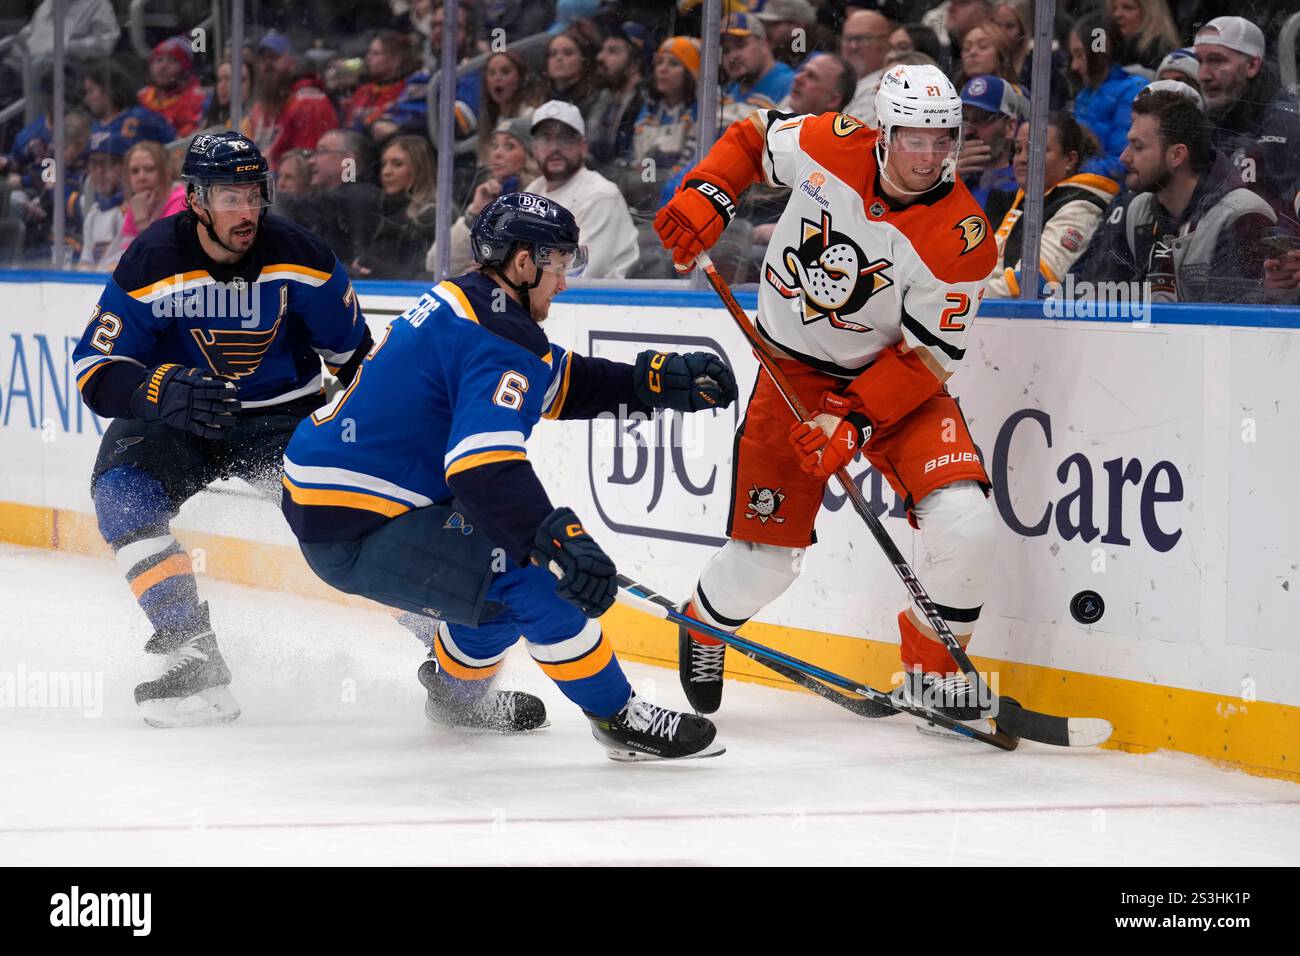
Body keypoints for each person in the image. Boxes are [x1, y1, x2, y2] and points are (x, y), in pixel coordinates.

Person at [281, 191, 737, 760]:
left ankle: (454, 698)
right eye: (559, 263)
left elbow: (551, 379)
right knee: (531, 576)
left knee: (496, 583)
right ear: (523, 262)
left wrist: (648, 384)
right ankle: (618, 718)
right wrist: (555, 537)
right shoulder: (499, 334)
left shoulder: (468, 301)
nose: (564, 282)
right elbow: (479, 466)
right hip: (357, 520)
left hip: (335, 497)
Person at [654, 63, 1000, 738]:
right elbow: (755, 138)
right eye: (913, 138)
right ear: (882, 131)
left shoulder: (964, 240)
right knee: (764, 565)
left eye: (942, 140)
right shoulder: (828, 141)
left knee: (967, 524)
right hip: (793, 379)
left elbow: (930, 354)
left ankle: (933, 673)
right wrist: (708, 193)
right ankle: (705, 619)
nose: (929, 155)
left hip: (896, 387)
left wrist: (855, 418)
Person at [71, 131, 372, 728]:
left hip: (279, 417)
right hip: (175, 419)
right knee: (123, 497)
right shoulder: (152, 259)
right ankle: (191, 652)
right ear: (195, 199)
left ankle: (450, 653)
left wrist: (379, 445)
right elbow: (93, 369)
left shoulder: (302, 257)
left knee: (356, 515)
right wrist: (156, 390)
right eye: (228, 196)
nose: (245, 211)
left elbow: (359, 360)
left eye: (254, 194)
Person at [1069, 89, 1276, 303]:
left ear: (1177, 155)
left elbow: (1230, 326)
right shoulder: (1136, 209)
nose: (1124, 157)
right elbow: (1100, 304)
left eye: (1138, 147)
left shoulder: (1241, 215)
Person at [985, 112, 1119, 297]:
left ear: (1070, 160)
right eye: (1018, 150)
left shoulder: (1081, 208)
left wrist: (963, 298)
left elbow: (1032, 283)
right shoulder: (1021, 199)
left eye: (1035, 150)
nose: (1022, 159)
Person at [1193, 16, 1300, 226]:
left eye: (1216, 60)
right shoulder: (1209, 121)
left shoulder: (1285, 124)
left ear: (1252, 65)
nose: (1204, 75)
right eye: (1199, 61)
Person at [523, 100, 638, 279]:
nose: (555, 148)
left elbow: (575, 275)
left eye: (565, 138)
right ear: (534, 149)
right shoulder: (533, 191)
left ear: (583, 147)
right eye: (546, 139)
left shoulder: (601, 195)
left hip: (597, 304)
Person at [434, 116, 538, 276]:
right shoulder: (489, 195)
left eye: (509, 146)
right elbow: (434, 263)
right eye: (495, 145)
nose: (497, 153)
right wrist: (474, 212)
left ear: (530, 154)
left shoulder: (537, 198)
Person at [1068, 14, 1148, 181]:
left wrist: (1068, 167)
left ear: (1099, 51)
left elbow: (1124, 161)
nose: (1074, 66)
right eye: (1073, 56)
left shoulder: (1132, 89)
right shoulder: (1084, 95)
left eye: (1080, 55)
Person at [244, 33, 339, 170]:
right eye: (263, 59)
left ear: (292, 62)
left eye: (274, 57)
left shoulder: (310, 103)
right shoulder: (259, 108)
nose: (267, 64)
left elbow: (306, 167)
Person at [351, 134, 438, 280]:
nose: (386, 172)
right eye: (384, 164)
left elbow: (420, 275)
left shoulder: (430, 216)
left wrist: (372, 267)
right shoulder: (380, 211)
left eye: (397, 164)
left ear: (419, 169)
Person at [631, 37, 701, 211]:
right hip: (645, 196)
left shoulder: (703, 110)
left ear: (691, 72)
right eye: (660, 62)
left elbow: (690, 167)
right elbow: (640, 163)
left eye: (674, 63)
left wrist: (656, 179)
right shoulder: (649, 109)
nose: (663, 69)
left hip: (679, 201)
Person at [585, 20, 652, 174]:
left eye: (612, 51)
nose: (600, 57)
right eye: (603, 49)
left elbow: (643, 169)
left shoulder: (648, 102)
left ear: (636, 62)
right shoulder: (603, 97)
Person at [957, 74, 1027, 210]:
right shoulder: (947, 178)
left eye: (982, 118)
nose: (967, 131)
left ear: (1010, 127)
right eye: (963, 118)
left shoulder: (1022, 186)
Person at [719, 13, 795, 130]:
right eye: (726, 50)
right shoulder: (729, 90)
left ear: (764, 43)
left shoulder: (790, 84)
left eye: (741, 45)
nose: (732, 56)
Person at [83, 61, 177, 150]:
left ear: (108, 89)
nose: (86, 99)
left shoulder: (143, 117)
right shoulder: (92, 128)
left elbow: (175, 145)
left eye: (91, 91)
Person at [341, 31, 419, 134]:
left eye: (375, 54)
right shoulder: (363, 90)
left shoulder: (408, 92)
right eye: (369, 52)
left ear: (395, 60)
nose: (368, 58)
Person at [118, 140, 188, 251]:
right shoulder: (137, 203)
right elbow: (123, 253)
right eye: (135, 171)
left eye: (149, 169)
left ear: (167, 172)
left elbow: (161, 254)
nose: (141, 177)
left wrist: (141, 220)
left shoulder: (182, 201)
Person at [476, 50, 543, 162]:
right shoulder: (488, 122)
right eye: (492, 73)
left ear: (520, 78)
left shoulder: (530, 116)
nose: (497, 78)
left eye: (505, 72)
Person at [138, 36, 208, 139]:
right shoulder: (142, 97)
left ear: (185, 69)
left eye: (172, 61)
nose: (163, 67)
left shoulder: (197, 100)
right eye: (159, 60)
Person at [80, 130, 128, 270]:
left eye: (107, 163)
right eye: (94, 164)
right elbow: (86, 263)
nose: (99, 171)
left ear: (124, 166)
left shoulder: (131, 212)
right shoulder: (93, 213)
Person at [842, 9, 894, 125]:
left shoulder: (886, 86)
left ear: (884, 43)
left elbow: (850, 135)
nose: (853, 46)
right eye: (848, 39)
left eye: (861, 39)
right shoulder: (837, 80)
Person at [1107, 0, 1181, 74]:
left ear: (1150, 12)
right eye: (1114, 9)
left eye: (1128, 8)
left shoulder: (1157, 52)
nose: (1117, 14)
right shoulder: (1112, 51)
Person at [201, 55, 255, 131]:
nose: (222, 86)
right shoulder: (212, 116)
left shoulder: (252, 119)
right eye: (219, 80)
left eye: (227, 79)